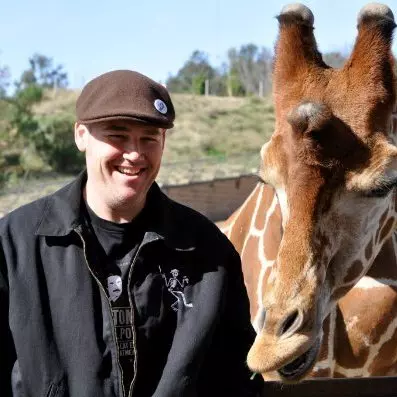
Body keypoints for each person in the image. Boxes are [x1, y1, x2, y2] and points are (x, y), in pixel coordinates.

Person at [0, 70, 264, 397]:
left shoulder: (208, 252)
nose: (135, 154)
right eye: (117, 135)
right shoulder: (14, 245)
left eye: (149, 138)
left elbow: (237, 380)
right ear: (81, 135)